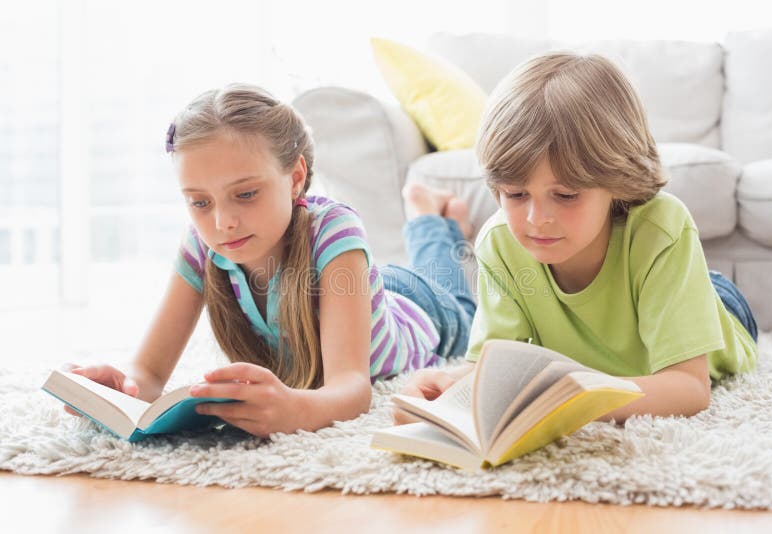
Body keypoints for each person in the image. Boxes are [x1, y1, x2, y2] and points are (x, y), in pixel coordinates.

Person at [63, 84, 475, 437]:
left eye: (245, 194)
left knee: (460, 299)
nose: (223, 222)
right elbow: (149, 373)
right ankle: (432, 217)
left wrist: (294, 410)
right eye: (200, 202)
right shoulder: (202, 246)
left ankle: (429, 217)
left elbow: (351, 387)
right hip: (358, 291)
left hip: (421, 310)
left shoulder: (334, 228)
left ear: (296, 177)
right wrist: (122, 389)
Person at [396, 53, 758, 424]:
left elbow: (688, 388)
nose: (537, 220)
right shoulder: (500, 242)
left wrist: (573, 398)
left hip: (721, 309)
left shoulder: (660, 228)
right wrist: (447, 383)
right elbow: (491, 364)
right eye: (516, 194)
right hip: (648, 297)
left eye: (566, 195)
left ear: (617, 183)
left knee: (704, 294)